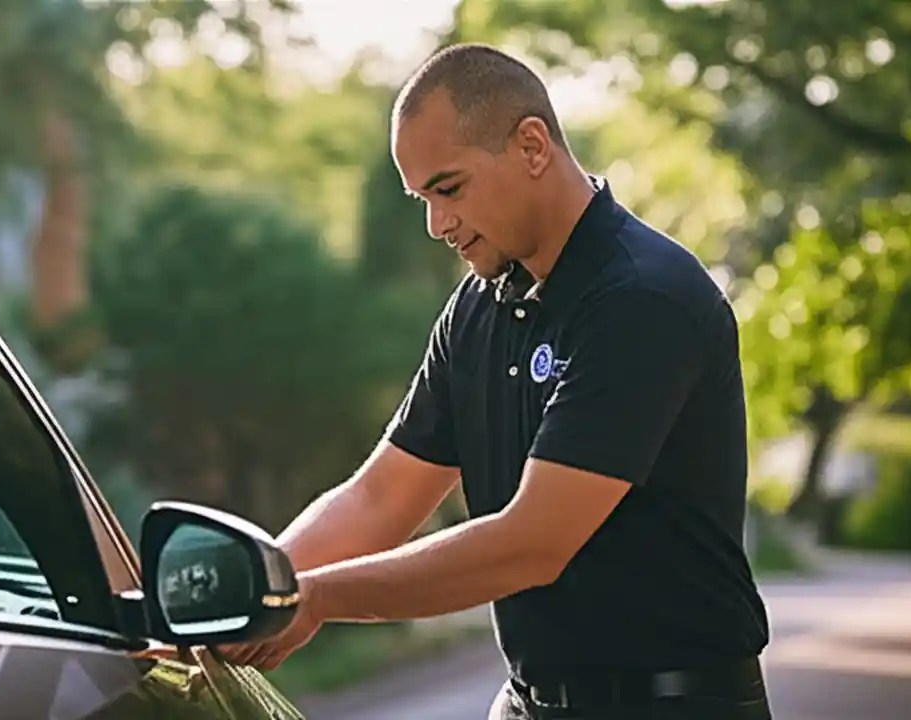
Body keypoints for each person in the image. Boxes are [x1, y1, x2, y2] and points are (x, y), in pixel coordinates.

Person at [221, 43, 772, 719]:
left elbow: (531, 544)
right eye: (421, 197)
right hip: (527, 705)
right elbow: (381, 497)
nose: (436, 224)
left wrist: (322, 597)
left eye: (448, 189)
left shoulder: (643, 299)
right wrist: (256, 592)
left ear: (532, 146)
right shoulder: (478, 308)